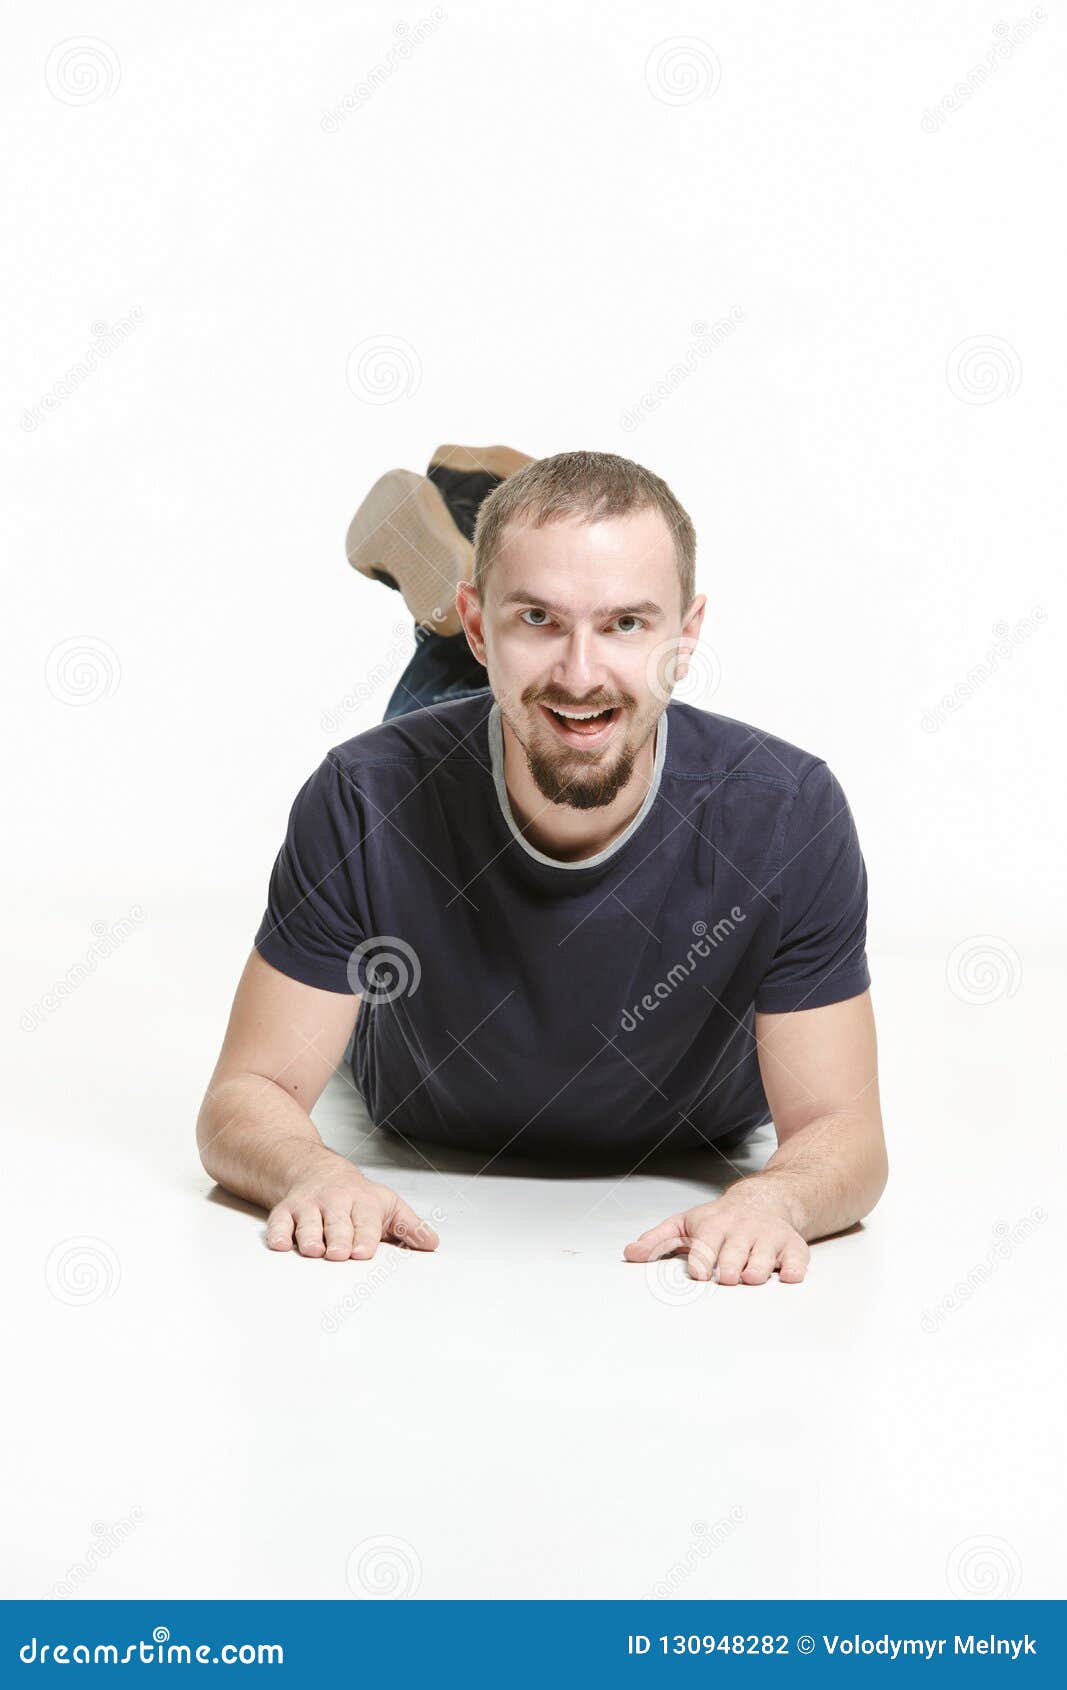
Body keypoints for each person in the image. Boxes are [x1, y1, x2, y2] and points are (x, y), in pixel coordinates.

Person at [196, 445, 888, 1285]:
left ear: (688, 633)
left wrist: (777, 1199)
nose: (583, 666)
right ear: (482, 624)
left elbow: (844, 1138)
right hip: (453, 761)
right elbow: (245, 1095)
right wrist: (311, 1171)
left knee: (562, 711)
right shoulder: (363, 797)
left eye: (629, 622)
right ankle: (465, 577)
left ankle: (487, 524)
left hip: (522, 706)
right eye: (535, 619)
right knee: (479, 718)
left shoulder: (788, 813)